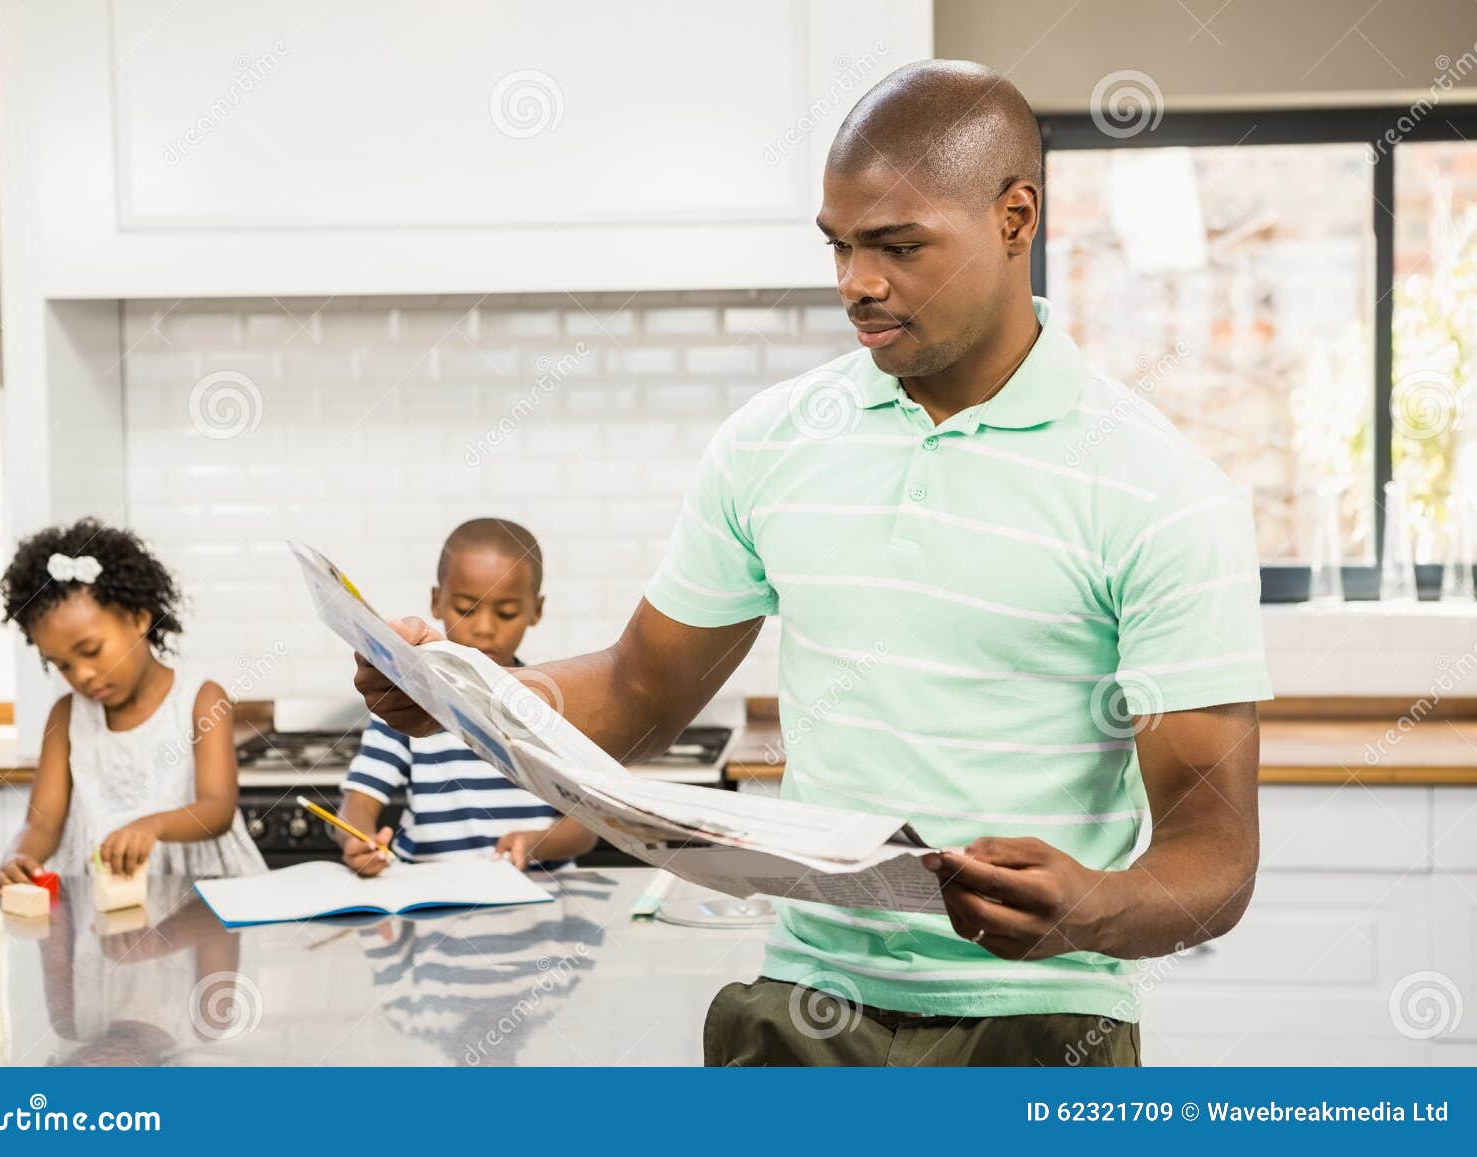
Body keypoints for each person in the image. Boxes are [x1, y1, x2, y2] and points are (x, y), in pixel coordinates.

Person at [354, 61, 1272, 1067]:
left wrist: (1095, 906)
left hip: (1037, 1023)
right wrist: (466, 688)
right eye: (838, 245)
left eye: (897, 247)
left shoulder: (1158, 489)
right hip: (800, 1012)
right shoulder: (774, 441)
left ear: (1017, 218)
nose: (855, 284)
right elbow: (638, 691)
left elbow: (1212, 856)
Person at [0, 518, 266, 893]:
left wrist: (152, 826)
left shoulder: (202, 700)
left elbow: (217, 810)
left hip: (204, 897)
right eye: (62, 665)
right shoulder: (66, 718)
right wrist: (17, 858)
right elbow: (43, 824)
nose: (82, 675)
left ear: (139, 617)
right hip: (102, 905)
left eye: (90, 651)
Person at [334, 518, 597, 875]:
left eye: (506, 613)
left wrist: (536, 843)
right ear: (436, 601)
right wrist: (358, 838)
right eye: (466, 609)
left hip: (539, 902)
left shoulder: (550, 701)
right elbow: (358, 802)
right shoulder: (404, 701)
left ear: (536, 610)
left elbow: (586, 828)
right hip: (431, 903)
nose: (485, 629)